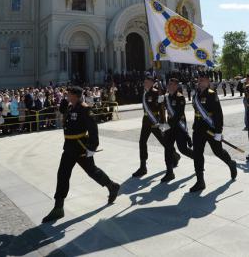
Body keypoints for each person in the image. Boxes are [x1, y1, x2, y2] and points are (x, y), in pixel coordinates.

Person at [42, 86, 120, 223]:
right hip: (69, 147)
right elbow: (62, 113)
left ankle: (112, 186)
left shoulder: (85, 108)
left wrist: (92, 147)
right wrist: (64, 105)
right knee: (62, 174)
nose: (66, 96)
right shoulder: (70, 107)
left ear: (75, 96)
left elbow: (93, 129)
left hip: (81, 147)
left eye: (69, 94)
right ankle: (58, 207)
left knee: (92, 171)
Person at [190, 73, 237, 193]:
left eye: (202, 80)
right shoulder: (195, 94)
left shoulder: (212, 94)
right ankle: (200, 181)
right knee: (197, 154)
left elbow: (218, 114)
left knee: (218, 151)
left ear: (207, 81)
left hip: (210, 129)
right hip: (198, 129)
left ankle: (231, 163)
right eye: (199, 80)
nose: (200, 82)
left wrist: (218, 132)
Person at [132, 76, 179, 178]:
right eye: (144, 81)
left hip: (156, 122)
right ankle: (143, 167)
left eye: (146, 81)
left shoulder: (156, 93)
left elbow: (162, 109)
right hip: (146, 121)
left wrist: (163, 123)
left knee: (165, 142)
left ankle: (174, 156)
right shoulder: (145, 93)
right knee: (142, 142)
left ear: (152, 83)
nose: (144, 83)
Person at [160, 78, 194, 183]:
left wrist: (166, 127)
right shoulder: (165, 97)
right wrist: (159, 100)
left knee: (182, 149)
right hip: (169, 128)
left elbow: (178, 115)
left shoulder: (180, 98)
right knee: (168, 149)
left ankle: (197, 158)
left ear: (176, 86)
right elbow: (160, 109)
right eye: (168, 84)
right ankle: (169, 173)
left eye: (171, 84)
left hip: (179, 127)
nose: (169, 86)